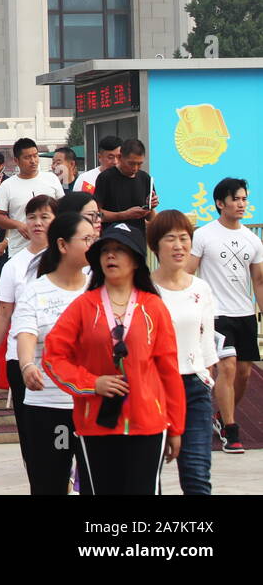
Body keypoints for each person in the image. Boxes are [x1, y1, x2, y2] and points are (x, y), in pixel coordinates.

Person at [42, 222, 185, 495]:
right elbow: (53, 356)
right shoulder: (84, 306)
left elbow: (168, 370)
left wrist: (176, 427)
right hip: (96, 423)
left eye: (119, 250)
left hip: (148, 424)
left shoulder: (153, 306)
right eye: (105, 250)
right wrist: (91, 383)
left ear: (135, 260)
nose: (110, 256)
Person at [11, 212, 94, 494]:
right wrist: (26, 366)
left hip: (93, 404)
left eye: (94, 239)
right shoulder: (36, 290)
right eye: (86, 240)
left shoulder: (98, 288)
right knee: (49, 485)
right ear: (62, 245)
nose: (92, 245)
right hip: (47, 404)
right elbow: (25, 333)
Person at [189, 177, 261, 454]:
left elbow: (259, 281)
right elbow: (189, 273)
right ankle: (232, 431)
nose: (242, 204)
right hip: (215, 313)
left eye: (244, 199)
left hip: (244, 313)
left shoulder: (252, 239)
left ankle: (220, 417)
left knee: (243, 373)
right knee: (227, 367)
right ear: (220, 203)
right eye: (236, 199)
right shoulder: (204, 235)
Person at [0, 194, 58, 462]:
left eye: (44, 217)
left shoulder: (71, 262)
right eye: (32, 217)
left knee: (60, 433)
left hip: (59, 360)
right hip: (20, 358)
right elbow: (3, 313)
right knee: (29, 431)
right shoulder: (14, 265)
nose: (37, 223)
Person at [150, 209, 217, 494]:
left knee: (196, 475)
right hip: (151, 389)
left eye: (184, 238)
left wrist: (205, 377)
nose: (179, 246)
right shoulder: (144, 289)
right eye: (170, 239)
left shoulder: (201, 288)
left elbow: (207, 345)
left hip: (194, 388)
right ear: (155, 245)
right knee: (149, 477)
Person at [0, 138, 65, 258]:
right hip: (20, 250)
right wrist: (18, 225)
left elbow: (62, 209)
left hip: (51, 247)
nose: (33, 161)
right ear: (16, 160)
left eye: (35, 156)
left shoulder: (51, 179)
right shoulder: (8, 185)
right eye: (27, 157)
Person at [94, 138, 157, 235]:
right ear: (120, 157)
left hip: (138, 238)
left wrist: (150, 207)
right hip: (112, 237)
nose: (135, 168)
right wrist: (123, 215)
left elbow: (150, 218)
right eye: (131, 163)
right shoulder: (105, 178)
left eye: (139, 164)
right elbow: (96, 214)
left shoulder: (145, 178)